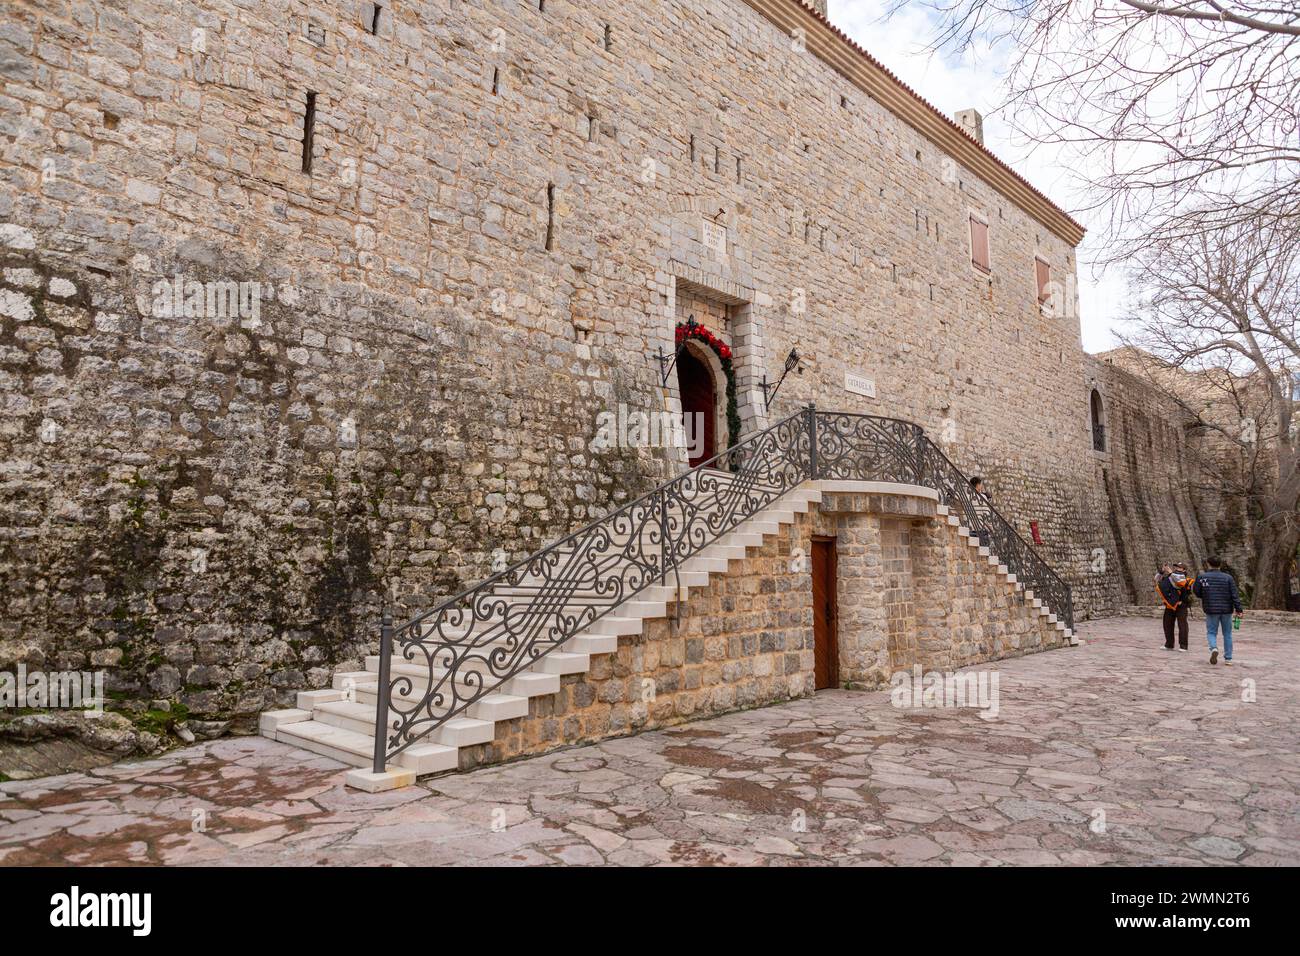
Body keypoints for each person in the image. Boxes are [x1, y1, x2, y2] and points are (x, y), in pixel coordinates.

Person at [1192, 556, 1243, 666]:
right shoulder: (1228, 578)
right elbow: (1234, 595)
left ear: (1208, 564)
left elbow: (1196, 592)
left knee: (1211, 632)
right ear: (1220, 565)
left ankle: (1214, 648)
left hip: (1211, 608)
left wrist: (1205, 596)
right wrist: (1239, 609)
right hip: (1226, 609)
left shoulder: (1202, 577)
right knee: (1227, 634)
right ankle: (1228, 658)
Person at [1155, 562, 1192, 651]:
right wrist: (1162, 571)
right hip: (1169, 605)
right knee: (1167, 624)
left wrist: (1171, 572)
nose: (1177, 569)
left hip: (1181, 605)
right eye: (1176, 567)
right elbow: (1157, 580)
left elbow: (1179, 582)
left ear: (1184, 570)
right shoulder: (1169, 577)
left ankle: (1183, 646)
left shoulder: (1185, 579)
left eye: (1179, 568)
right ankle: (1169, 644)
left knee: (1182, 625)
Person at [968, 476, 992, 548]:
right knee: (984, 551)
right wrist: (990, 526)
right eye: (981, 485)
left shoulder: (968, 497)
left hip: (971, 527)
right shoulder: (982, 497)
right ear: (978, 485)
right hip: (981, 528)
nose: (981, 487)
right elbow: (986, 513)